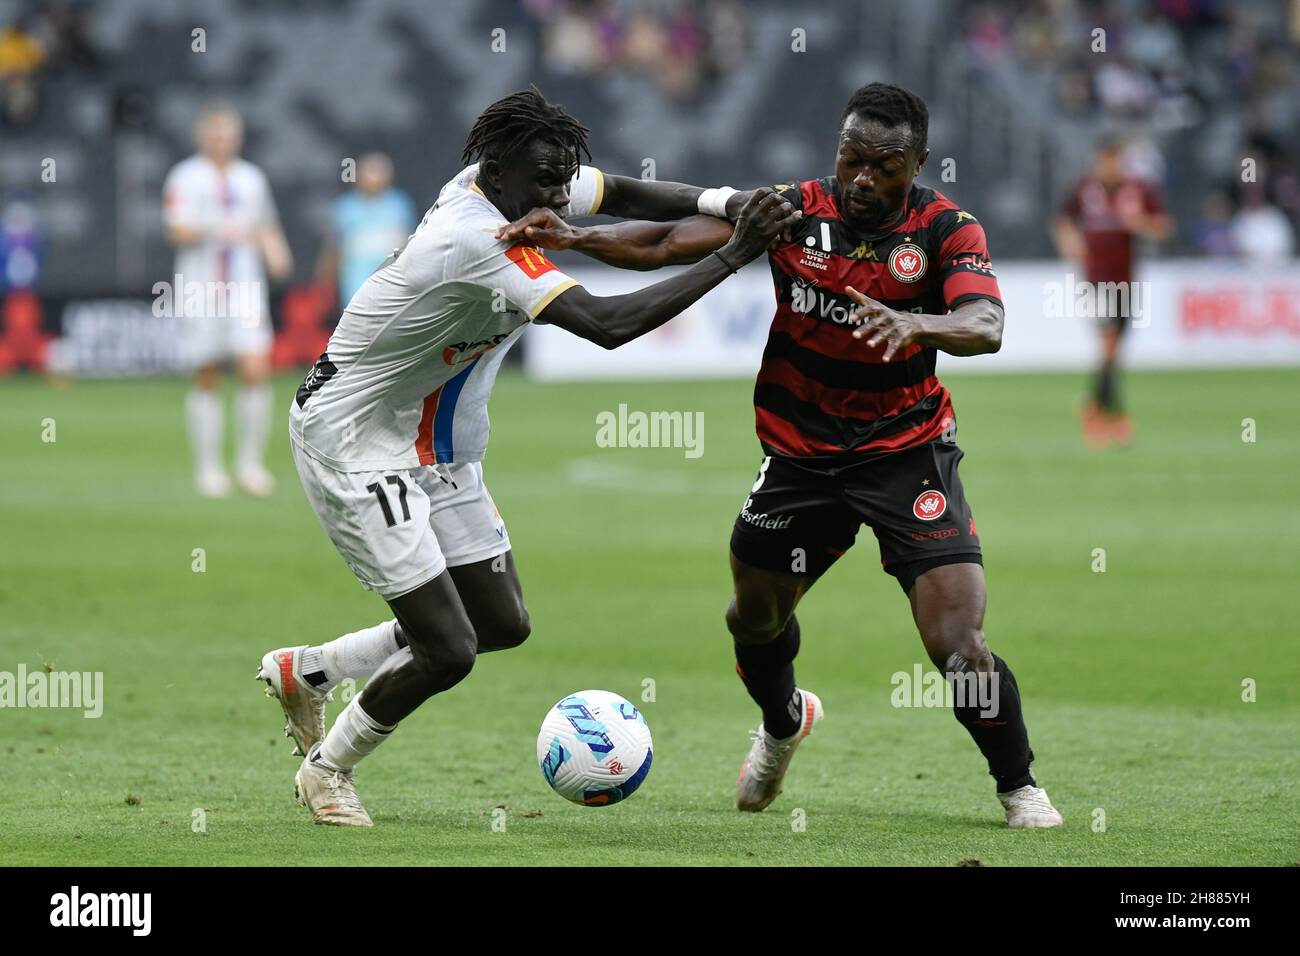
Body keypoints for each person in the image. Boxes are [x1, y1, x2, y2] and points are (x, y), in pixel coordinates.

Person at [501, 82, 1063, 829]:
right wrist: (574, 240)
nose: (862, 178)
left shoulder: (946, 229)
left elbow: (985, 322)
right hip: (800, 459)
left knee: (958, 645)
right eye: (851, 157)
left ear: (919, 162)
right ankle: (782, 722)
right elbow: (667, 242)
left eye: (884, 166)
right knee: (754, 622)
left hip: (908, 455)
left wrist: (918, 325)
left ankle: (1019, 787)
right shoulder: (793, 211)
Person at [256, 86, 796, 826]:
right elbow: (608, 324)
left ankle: (307, 670)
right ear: (495, 171)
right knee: (448, 649)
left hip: (436, 443)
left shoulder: (525, 184)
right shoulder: (476, 238)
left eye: (563, 179)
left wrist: (729, 199)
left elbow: (633, 191)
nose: (558, 196)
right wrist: (738, 251)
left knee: (500, 622)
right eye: (544, 181)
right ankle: (328, 770)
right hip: (356, 442)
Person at [163, 101, 293, 496]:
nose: (222, 140)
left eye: (228, 132)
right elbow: (177, 232)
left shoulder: (251, 178)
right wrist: (217, 228)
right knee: (207, 372)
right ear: (202, 135)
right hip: (200, 285)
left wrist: (275, 252)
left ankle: (250, 465)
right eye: (214, 132)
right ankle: (209, 468)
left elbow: (265, 224)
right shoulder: (184, 177)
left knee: (255, 367)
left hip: (244, 287)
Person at [1053, 138, 1172, 447]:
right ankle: (1111, 414)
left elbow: (1164, 227)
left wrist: (1140, 223)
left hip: (1126, 280)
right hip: (1096, 279)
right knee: (1108, 344)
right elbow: (1063, 221)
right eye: (1104, 160)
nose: (1109, 167)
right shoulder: (1085, 189)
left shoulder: (1138, 190)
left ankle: (1095, 407)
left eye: (1114, 160)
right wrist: (1070, 242)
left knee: (1114, 348)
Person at [314, 152, 417, 308]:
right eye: (370, 171)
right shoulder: (345, 207)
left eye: (379, 172)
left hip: (393, 285)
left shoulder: (399, 205)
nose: (374, 178)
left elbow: (411, 244)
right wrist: (324, 283)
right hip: (355, 284)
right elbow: (333, 248)